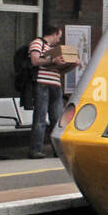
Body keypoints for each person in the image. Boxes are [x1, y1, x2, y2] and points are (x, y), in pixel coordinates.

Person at [29, 25, 69, 158]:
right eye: (59, 36)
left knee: (57, 119)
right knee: (40, 117)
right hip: (43, 84)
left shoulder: (54, 50)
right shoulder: (37, 42)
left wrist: (71, 64)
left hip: (56, 85)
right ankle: (36, 150)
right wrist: (52, 60)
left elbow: (59, 69)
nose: (59, 40)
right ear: (55, 33)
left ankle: (57, 150)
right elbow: (35, 61)